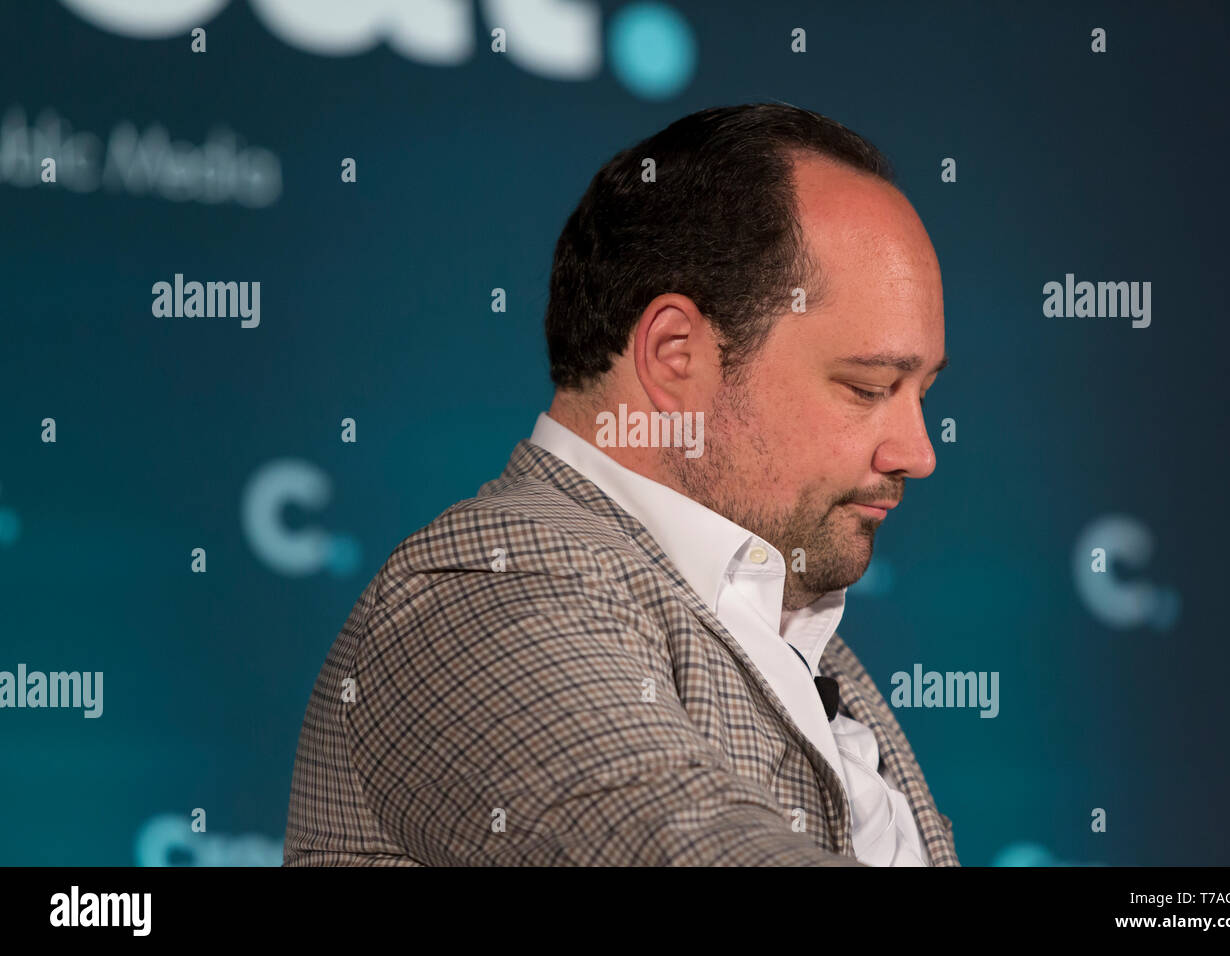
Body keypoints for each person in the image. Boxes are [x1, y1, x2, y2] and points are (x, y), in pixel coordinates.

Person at [284, 103, 956, 866]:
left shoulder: (801, 639)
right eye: (868, 387)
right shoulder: (481, 588)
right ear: (675, 355)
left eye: (923, 393)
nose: (919, 451)